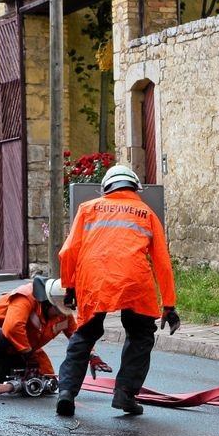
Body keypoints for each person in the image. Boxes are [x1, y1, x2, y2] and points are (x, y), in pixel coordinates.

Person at [56, 164, 179, 417]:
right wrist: (168, 304)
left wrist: (69, 286)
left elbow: (68, 251)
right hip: (135, 281)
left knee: (85, 334)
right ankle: (124, 394)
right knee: (141, 335)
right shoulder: (146, 213)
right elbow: (162, 262)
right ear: (135, 187)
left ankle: (66, 392)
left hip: (94, 280)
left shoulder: (87, 209)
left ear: (106, 188)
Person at [0, 277, 76, 386]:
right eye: (58, 311)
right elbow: (12, 328)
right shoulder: (25, 296)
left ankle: (0, 372)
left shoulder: (63, 313)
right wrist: (29, 354)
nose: (60, 315)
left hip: (22, 348)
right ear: (48, 302)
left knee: (46, 379)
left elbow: (76, 335)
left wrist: (91, 355)